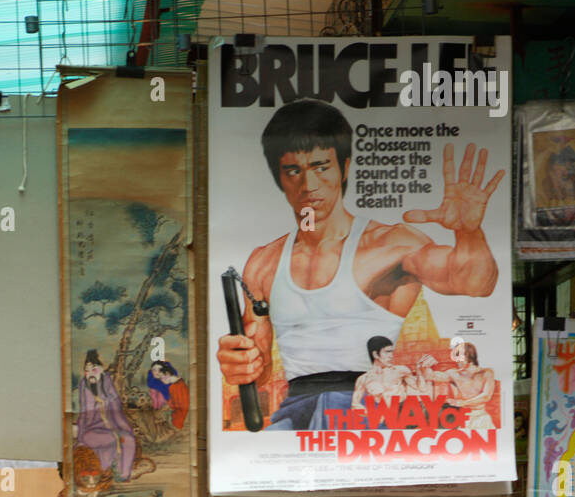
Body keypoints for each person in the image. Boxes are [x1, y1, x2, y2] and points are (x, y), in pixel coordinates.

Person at [216, 98, 505, 432]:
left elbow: (474, 281)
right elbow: (260, 365)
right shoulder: (263, 262)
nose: (309, 186)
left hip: (366, 405)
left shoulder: (389, 243)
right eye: (294, 171)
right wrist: (242, 364)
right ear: (279, 178)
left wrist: (469, 233)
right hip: (298, 408)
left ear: (345, 168)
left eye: (321, 167)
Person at [75, 350, 138, 482]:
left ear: (102, 370)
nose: (90, 373)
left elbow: (117, 413)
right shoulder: (84, 387)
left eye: (94, 369)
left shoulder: (108, 386)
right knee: (114, 438)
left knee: (128, 439)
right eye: (87, 371)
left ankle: (122, 475)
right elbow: (82, 416)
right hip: (91, 433)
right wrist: (80, 438)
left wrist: (126, 430)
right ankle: (106, 469)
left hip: (110, 429)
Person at [417, 338, 496, 429]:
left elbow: (486, 396)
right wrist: (423, 366)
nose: (456, 360)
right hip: (464, 418)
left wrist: (462, 403)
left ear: (468, 355)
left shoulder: (487, 372)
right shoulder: (454, 373)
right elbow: (431, 376)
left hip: (481, 418)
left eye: (458, 355)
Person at [351, 337, 416, 409]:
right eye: (387, 352)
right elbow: (355, 405)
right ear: (375, 354)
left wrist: (421, 371)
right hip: (386, 415)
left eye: (392, 352)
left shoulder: (401, 370)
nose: (391, 356)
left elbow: (420, 389)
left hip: (407, 411)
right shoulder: (363, 379)